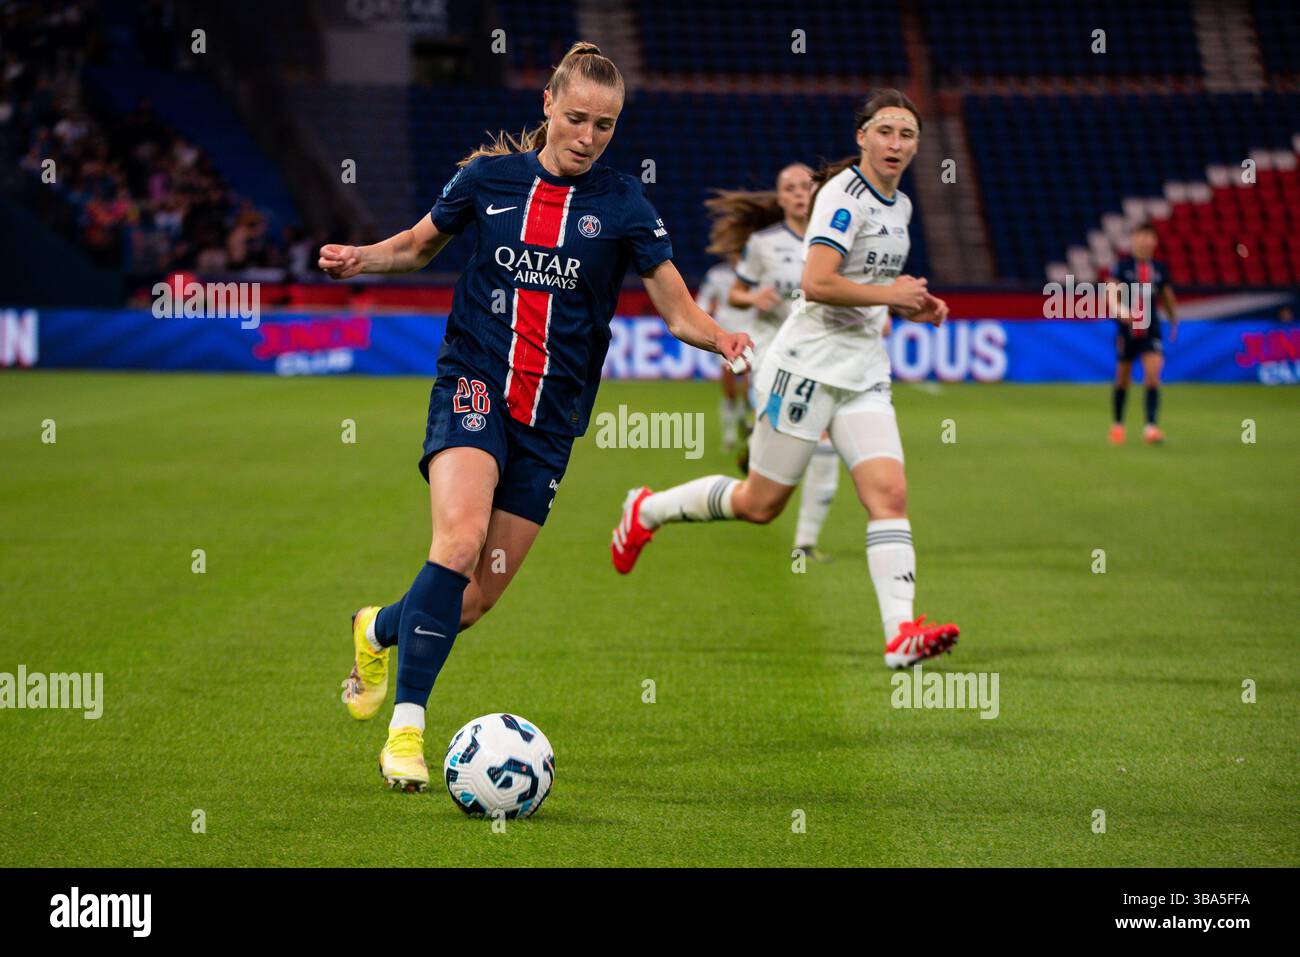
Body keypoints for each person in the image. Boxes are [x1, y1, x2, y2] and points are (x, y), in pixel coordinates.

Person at [321, 42, 753, 792]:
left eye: (605, 126)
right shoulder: (487, 181)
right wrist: (363, 256)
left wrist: (723, 337)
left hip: (550, 422)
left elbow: (677, 307)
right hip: (474, 386)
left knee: (476, 598)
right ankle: (407, 730)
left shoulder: (624, 206)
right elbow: (421, 245)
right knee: (456, 542)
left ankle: (378, 627)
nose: (587, 137)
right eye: (577, 117)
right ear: (548, 105)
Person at [610, 90, 959, 670]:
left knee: (889, 494)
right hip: (807, 368)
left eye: (908, 134)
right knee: (759, 504)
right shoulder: (842, 200)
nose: (897, 143)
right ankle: (648, 509)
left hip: (863, 370)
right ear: (862, 138)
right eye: (886, 131)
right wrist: (890, 295)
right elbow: (817, 283)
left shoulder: (899, 206)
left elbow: (866, 287)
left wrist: (910, 306)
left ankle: (900, 634)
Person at [706, 166, 838, 560]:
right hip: (771, 350)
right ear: (780, 199)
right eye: (790, 189)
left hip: (818, 354)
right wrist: (753, 298)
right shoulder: (763, 243)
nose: (799, 194)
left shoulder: (836, 243)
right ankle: (757, 443)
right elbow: (735, 294)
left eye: (806, 187)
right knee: (792, 434)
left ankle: (805, 543)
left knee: (823, 442)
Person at [1106, 222, 1179, 444]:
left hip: (1151, 329)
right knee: (1123, 378)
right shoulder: (1121, 267)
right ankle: (1118, 425)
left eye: (1149, 236)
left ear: (1155, 241)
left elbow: (1167, 297)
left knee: (1152, 374)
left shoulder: (1159, 269)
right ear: (1134, 239)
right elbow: (1111, 296)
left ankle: (1151, 427)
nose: (1145, 240)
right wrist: (1121, 312)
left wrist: (1174, 319)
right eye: (1141, 236)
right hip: (1127, 330)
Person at [695, 253, 748, 452]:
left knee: (750, 388)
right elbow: (702, 302)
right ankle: (729, 433)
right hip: (726, 336)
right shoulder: (716, 274)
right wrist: (709, 310)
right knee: (729, 390)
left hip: (753, 334)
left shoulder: (757, 268)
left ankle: (744, 418)